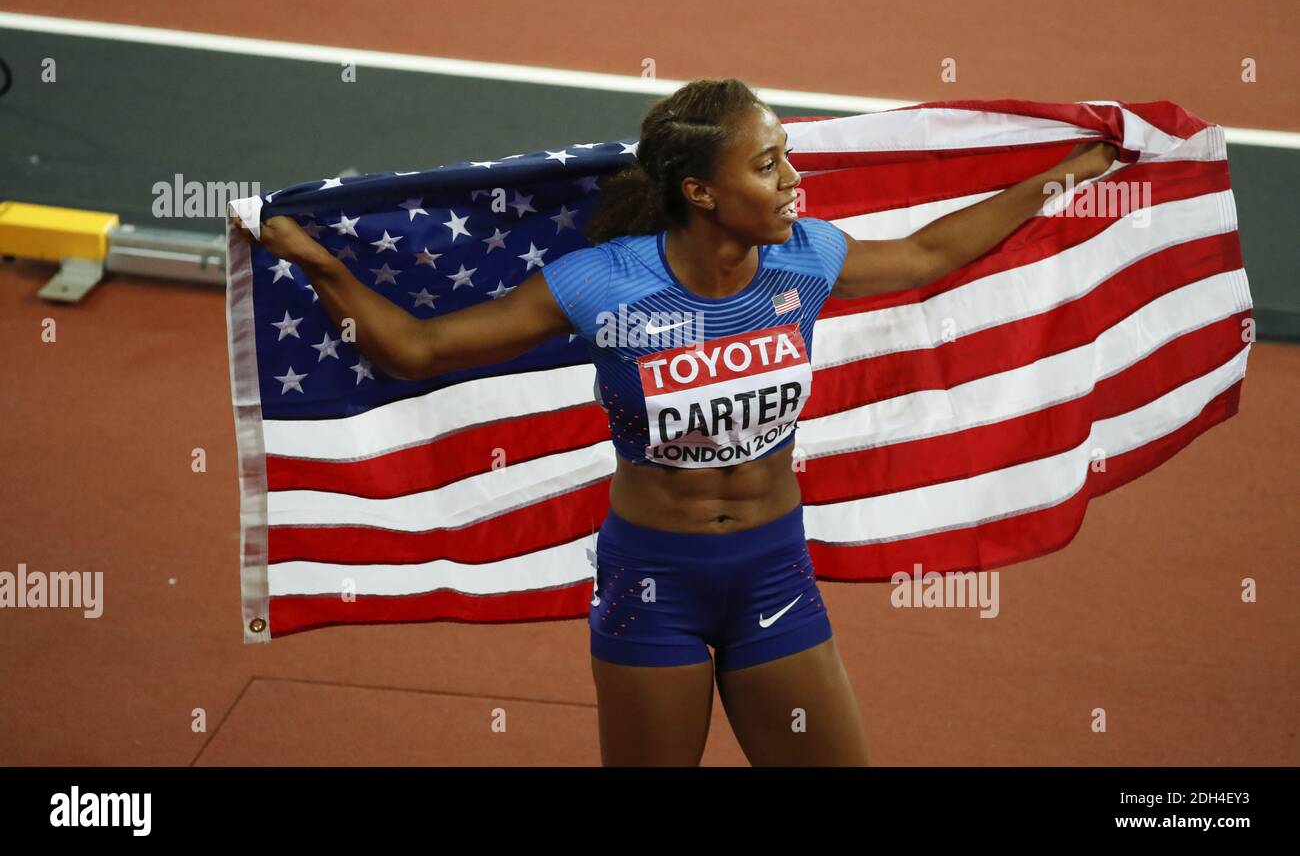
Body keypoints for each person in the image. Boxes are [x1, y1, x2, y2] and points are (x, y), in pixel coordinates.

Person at [231, 78, 1118, 766]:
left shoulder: (804, 261)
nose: (793, 180)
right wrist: (319, 265)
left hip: (773, 570)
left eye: (787, 157)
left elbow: (931, 253)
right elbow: (419, 351)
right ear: (700, 190)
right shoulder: (604, 282)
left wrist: (1067, 175)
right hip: (653, 581)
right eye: (768, 164)